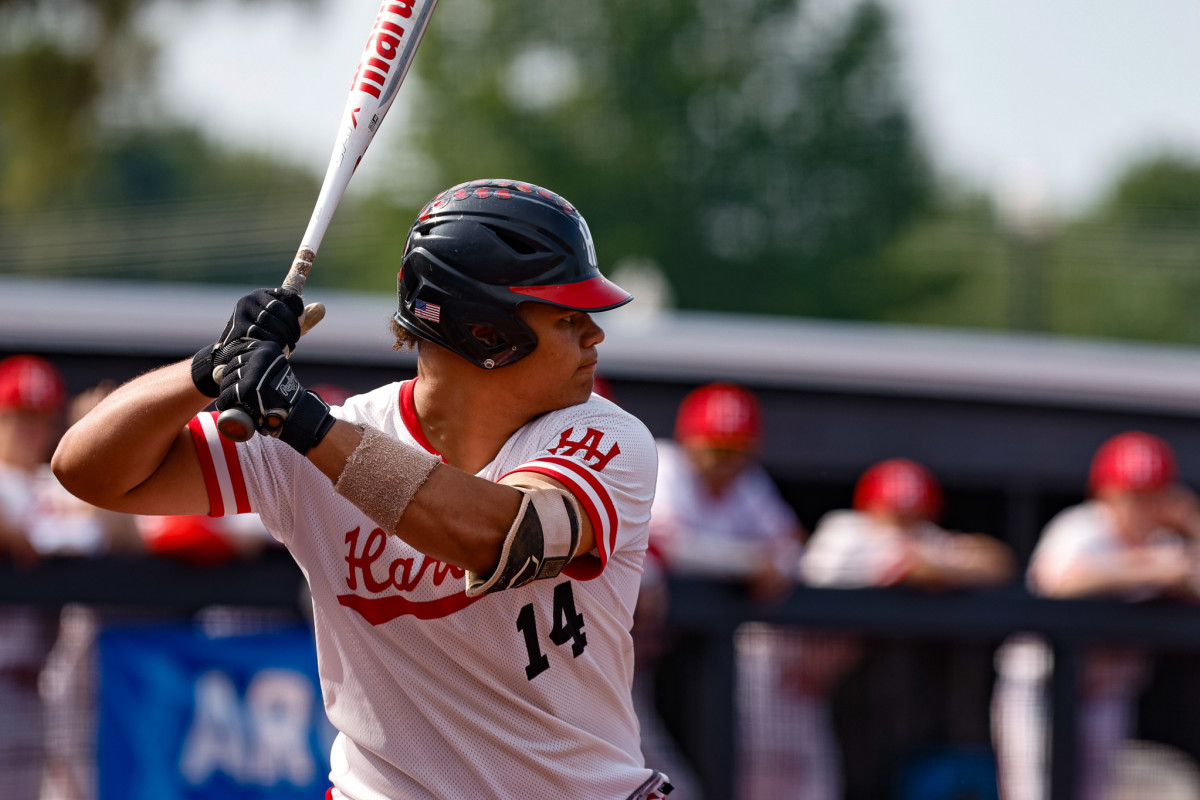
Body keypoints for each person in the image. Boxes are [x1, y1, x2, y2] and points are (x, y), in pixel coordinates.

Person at [52, 180, 672, 800]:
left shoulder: (606, 433)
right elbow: (86, 468)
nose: (595, 335)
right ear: (488, 333)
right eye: (568, 318)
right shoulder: (320, 441)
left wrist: (305, 424)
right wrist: (209, 367)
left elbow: (498, 538)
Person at [991, 431, 1200, 800]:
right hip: (1040, 688)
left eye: (1151, 496)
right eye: (1129, 495)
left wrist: (1192, 521)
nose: (1139, 508)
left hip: (1106, 694)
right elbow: (1059, 583)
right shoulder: (1081, 528)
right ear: (1104, 493)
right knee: (1032, 794)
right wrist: (1151, 569)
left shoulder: (1164, 543)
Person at [801, 458, 1015, 800]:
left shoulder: (920, 538)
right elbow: (914, 568)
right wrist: (944, 566)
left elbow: (996, 562)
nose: (904, 524)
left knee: (812, 789)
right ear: (869, 508)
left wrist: (939, 560)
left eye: (915, 514)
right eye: (894, 513)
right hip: (773, 673)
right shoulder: (846, 532)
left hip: (814, 690)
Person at [646, 382, 810, 800]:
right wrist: (752, 562)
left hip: (665, 651)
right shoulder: (664, 463)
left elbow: (790, 549)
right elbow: (669, 545)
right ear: (689, 440)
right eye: (715, 448)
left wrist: (768, 562)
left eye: (737, 450)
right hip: (613, 649)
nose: (725, 462)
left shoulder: (748, 482)